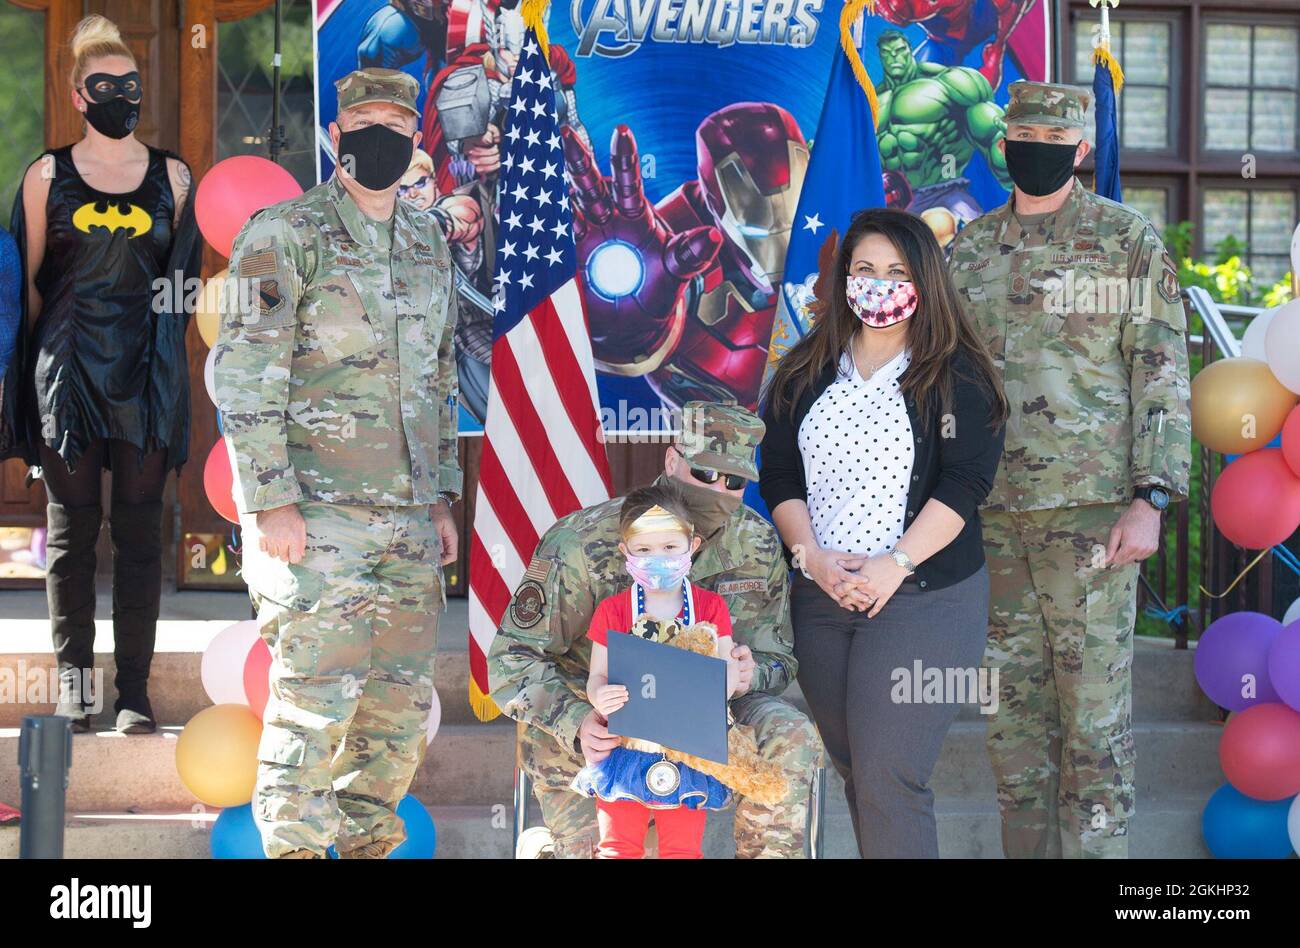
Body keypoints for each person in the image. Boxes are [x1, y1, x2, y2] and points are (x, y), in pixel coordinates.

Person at [214, 66, 461, 859]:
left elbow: (442, 374)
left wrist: (441, 499)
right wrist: (271, 503)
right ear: (336, 136)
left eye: (397, 125)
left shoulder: (428, 241)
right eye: (365, 127)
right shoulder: (282, 234)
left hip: (408, 525)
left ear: (417, 140)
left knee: (391, 723)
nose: (381, 139)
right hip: (316, 520)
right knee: (312, 715)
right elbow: (247, 371)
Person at [947, 81, 1192, 858]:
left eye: (1055, 144)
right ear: (1004, 144)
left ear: (1082, 151)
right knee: (1012, 728)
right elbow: (940, 377)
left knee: (1093, 723)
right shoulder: (968, 249)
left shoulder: (1127, 240)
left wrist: (1150, 497)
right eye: (1024, 138)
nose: (1037, 153)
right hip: (990, 517)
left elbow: (1161, 371)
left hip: (1092, 515)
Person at [760, 207, 1007, 858]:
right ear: (843, 278)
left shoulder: (957, 377)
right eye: (864, 269)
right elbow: (780, 475)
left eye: (896, 272)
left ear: (926, 280)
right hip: (822, 599)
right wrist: (809, 556)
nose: (878, 283)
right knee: (858, 772)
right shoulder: (805, 372)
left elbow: (964, 486)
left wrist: (892, 565)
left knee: (888, 776)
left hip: (925, 598)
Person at [488, 401, 821, 859]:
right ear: (670, 461)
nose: (719, 490)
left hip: (709, 717)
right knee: (587, 829)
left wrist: (749, 673)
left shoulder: (758, 543)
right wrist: (577, 722)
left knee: (792, 733)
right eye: (704, 474)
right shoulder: (584, 541)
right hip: (604, 719)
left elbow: (778, 658)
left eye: (735, 482)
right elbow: (512, 660)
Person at [0, 15, 202, 734]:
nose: (121, 95)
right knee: (72, 536)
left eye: (131, 85)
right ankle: (76, 690)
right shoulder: (45, 175)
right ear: (79, 96)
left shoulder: (174, 176)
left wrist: (164, 355)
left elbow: (182, 285)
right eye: (105, 86)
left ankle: (134, 696)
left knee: (141, 537)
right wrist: (32, 375)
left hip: (145, 373)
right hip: (68, 372)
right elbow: (26, 289)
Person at [574, 482, 740, 858]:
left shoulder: (709, 608)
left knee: (682, 851)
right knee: (617, 848)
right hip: (624, 747)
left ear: (692, 546)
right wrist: (598, 694)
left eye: (669, 547)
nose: (658, 558)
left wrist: (714, 692)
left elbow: (728, 669)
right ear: (625, 552)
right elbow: (596, 677)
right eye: (644, 550)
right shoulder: (614, 611)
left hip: (688, 748)